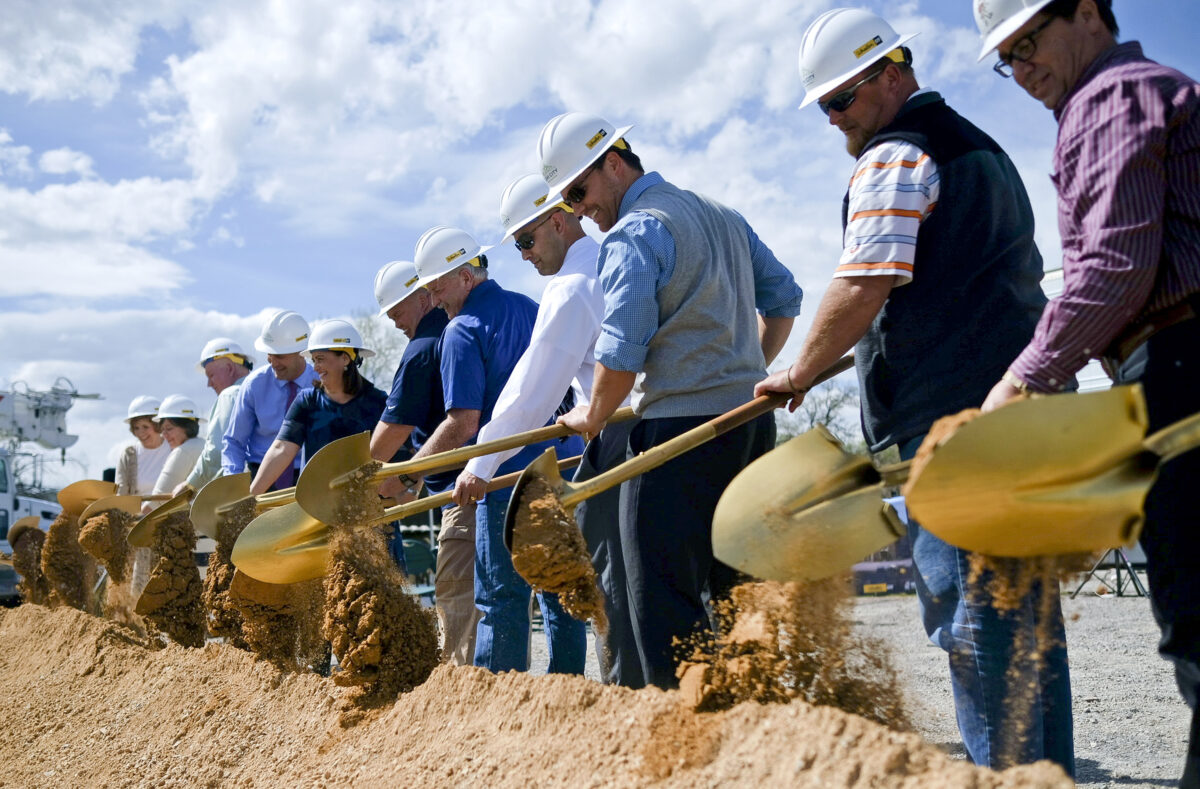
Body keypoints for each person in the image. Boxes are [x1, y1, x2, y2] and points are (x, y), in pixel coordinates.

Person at [755, 8, 1072, 773]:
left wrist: (797, 370)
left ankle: (1005, 773)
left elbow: (865, 281)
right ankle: (1043, 772)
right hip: (1015, 410)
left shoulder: (897, 155)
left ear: (892, 73)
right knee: (1024, 614)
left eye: (841, 100)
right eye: (825, 106)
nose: (834, 121)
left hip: (952, 425)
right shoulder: (983, 150)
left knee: (976, 620)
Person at [974, 0, 1200, 781]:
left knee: (1198, 619)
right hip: (1167, 359)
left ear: (1086, 12)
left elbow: (1111, 268)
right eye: (1008, 57)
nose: (1021, 68)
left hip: (1180, 361)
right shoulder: (1139, 90)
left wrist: (1023, 378)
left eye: (1028, 41)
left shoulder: (1109, 96)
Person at [544, 112, 803, 690]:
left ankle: (681, 742)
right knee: (741, 590)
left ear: (614, 163)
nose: (580, 209)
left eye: (580, 191)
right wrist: (747, 374)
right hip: (749, 426)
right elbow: (785, 298)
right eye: (568, 200)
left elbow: (621, 353)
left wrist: (592, 415)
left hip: (674, 437)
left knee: (661, 601)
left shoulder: (635, 232)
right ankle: (755, 723)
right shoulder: (722, 216)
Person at [449, 173, 639, 685]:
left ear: (559, 221)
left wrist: (479, 465)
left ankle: (628, 701)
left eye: (527, 241)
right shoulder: (621, 259)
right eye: (516, 246)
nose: (525, 255)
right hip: (642, 425)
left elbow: (529, 395)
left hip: (622, 440)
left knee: (617, 589)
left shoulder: (572, 288)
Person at [408, 225, 584, 675]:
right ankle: (568, 691)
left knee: (500, 596)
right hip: (561, 464)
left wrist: (409, 472)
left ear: (467, 277)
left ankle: (496, 702)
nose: (433, 298)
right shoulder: (533, 306)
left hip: (503, 476)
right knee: (560, 587)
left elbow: (463, 422)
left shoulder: (461, 330)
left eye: (437, 286)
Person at [369, 259, 473, 661]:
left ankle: (462, 689)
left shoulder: (422, 348)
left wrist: (362, 481)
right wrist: (411, 479)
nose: (394, 321)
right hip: (474, 474)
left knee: (455, 588)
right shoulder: (460, 329)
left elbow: (389, 434)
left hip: (461, 487)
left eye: (396, 310)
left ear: (423, 295)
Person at [249, 320, 389, 496]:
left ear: (345, 358)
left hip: (369, 508)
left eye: (320, 359)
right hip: (319, 507)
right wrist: (251, 498)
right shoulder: (308, 402)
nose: (315, 367)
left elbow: (403, 448)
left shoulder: (378, 402)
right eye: (314, 360)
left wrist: (411, 486)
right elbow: (281, 449)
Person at [223, 310, 318, 490]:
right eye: (269, 354)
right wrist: (232, 486)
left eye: (280, 356)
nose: (273, 362)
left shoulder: (323, 384)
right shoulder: (254, 385)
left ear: (303, 352)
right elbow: (234, 441)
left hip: (310, 481)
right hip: (260, 480)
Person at [175, 338, 253, 495]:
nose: (209, 384)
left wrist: (190, 485)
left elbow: (217, 452)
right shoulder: (269, 388)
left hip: (240, 491)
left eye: (210, 375)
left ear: (230, 368)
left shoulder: (230, 395)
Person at [150, 394, 206, 499]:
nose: (164, 435)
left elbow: (156, 501)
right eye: (162, 429)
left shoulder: (183, 451)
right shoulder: (205, 445)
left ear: (187, 427)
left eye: (169, 428)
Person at [115, 395, 170, 497]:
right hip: (138, 512)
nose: (141, 433)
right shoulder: (128, 455)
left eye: (145, 427)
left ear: (158, 426)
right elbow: (121, 494)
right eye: (136, 428)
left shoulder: (175, 450)